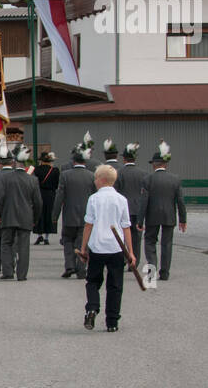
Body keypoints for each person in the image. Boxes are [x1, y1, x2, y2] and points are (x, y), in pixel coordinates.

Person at [79, 165, 133, 332]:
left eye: (95, 178)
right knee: (115, 285)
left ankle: (92, 308)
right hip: (116, 247)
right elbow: (126, 227)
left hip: (97, 246)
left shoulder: (94, 199)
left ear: (101, 180)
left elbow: (89, 224)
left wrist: (83, 248)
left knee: (93, 281)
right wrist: (130, 251)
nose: (94, 181)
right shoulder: (122, 200)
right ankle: (112, 321)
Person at [0, 146, 43, 281]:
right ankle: (22, 275)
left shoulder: (6, 178)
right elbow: (38, 202)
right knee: (24, 247)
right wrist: (35, 218)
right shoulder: (33, 180)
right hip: (26, 217)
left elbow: (0, 198)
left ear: (14, 162)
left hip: (8, 216)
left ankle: (8, 271)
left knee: (6, 244)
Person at [144, 141, 187, 281]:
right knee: (167, 243)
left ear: (153, 165)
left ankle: (151, 272)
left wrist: (139, 220)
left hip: (152, 215)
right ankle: (165, 273)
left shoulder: (148, 179)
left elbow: (143, 201)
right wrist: (183, 219)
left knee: (150, 242)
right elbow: (180, 201)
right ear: (165, 164)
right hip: (169, 215)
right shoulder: (175, 179)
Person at [53, 142, 96, 279]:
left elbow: (59, 196)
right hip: (86, 215)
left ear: (73, 161)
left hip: (69, 214)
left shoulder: (65, 175)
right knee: (82, 241)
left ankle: (70, 265)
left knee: (67, 240)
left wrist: (55, 215)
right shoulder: (91, 176)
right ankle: (81, 269)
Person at [116, 143, 150, 266]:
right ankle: (135, 260)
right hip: (138, 209)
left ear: (124, 159)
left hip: (123, 209)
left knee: (123, 236)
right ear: (134, 159)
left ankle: (125, 257)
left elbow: (116, 191)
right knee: (136, 238)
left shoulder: (119, 173)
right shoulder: (144, 173)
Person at [33, 151, 59, 245]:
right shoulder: (55, 170)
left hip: (39, 193)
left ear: (41, 161)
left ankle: (39, 235)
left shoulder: (36, 170)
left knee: (39, 214)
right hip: (50, 194)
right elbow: (56, 184)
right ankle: (47, 237)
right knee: (49, 214)